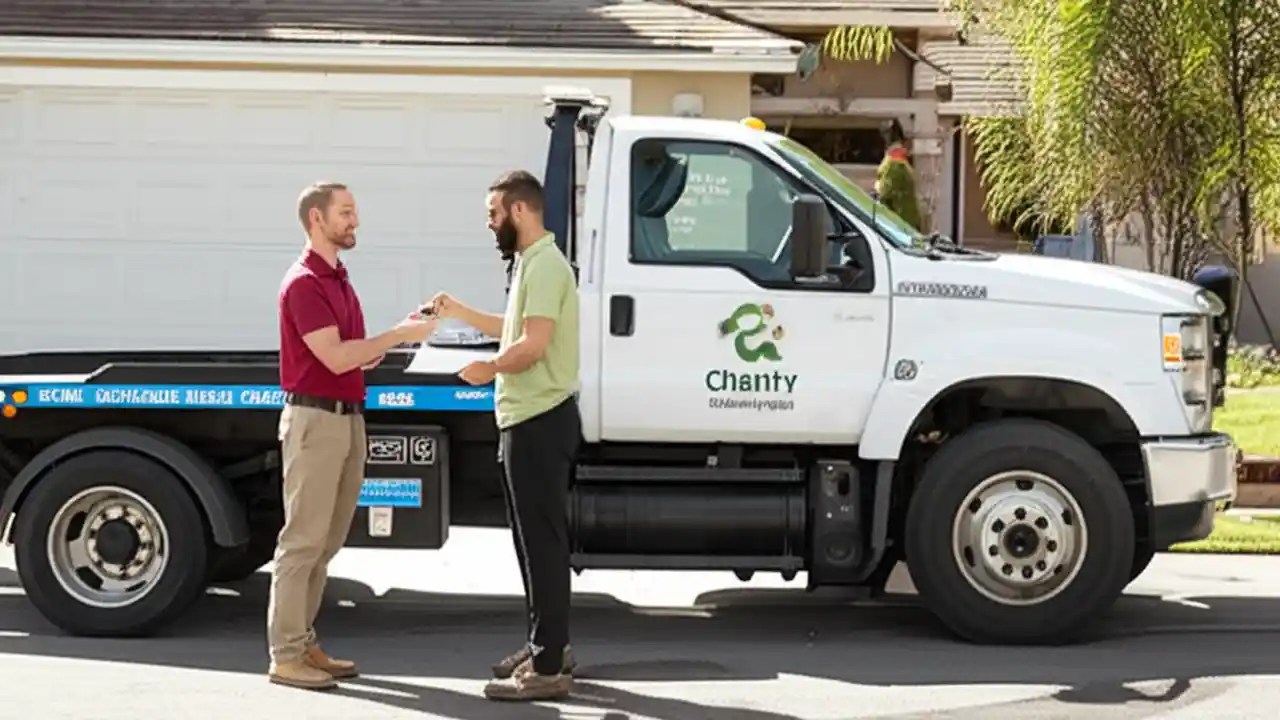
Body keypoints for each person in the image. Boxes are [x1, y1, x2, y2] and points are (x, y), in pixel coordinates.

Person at [268, 181, 437, 691]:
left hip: (347, 418)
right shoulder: (304, 283)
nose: (355, 221)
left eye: (354, 212)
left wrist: (393, 335)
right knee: (302, 542)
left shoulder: (339, 280)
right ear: (316, 220)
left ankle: (303, 641)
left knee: (327, 541)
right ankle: (286, 655)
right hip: (315, 422)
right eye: (345, 213)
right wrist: (399, 336)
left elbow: (354, 351)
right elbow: (337, 357)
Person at [428, 170, 581, 702]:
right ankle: (547, 645)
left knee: (541, 543)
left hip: (538, 419)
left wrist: (487, 369)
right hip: (527, 418)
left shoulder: (543, 266)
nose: (490, 225)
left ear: (519, 211)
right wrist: (458, 312)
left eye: (493, 214)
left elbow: (532, 345)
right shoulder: (531, 265)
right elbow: (515, 326)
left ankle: (549, 665)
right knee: (531, 543)